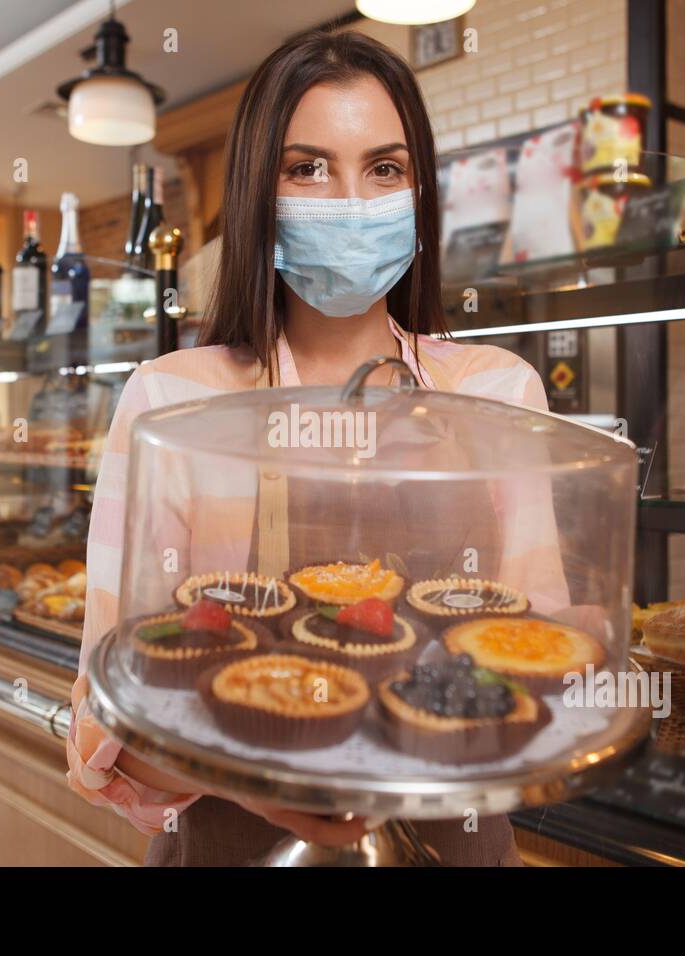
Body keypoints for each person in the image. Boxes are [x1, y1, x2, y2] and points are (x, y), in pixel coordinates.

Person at [66, 29, 562, 866]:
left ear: (419, 193)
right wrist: (248, 773)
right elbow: (109, 715)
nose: (348, 200)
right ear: (262, 192)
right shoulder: (172, 402)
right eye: (307, 168)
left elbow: (541, 666)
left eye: (383, 169)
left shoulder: (494, 395)